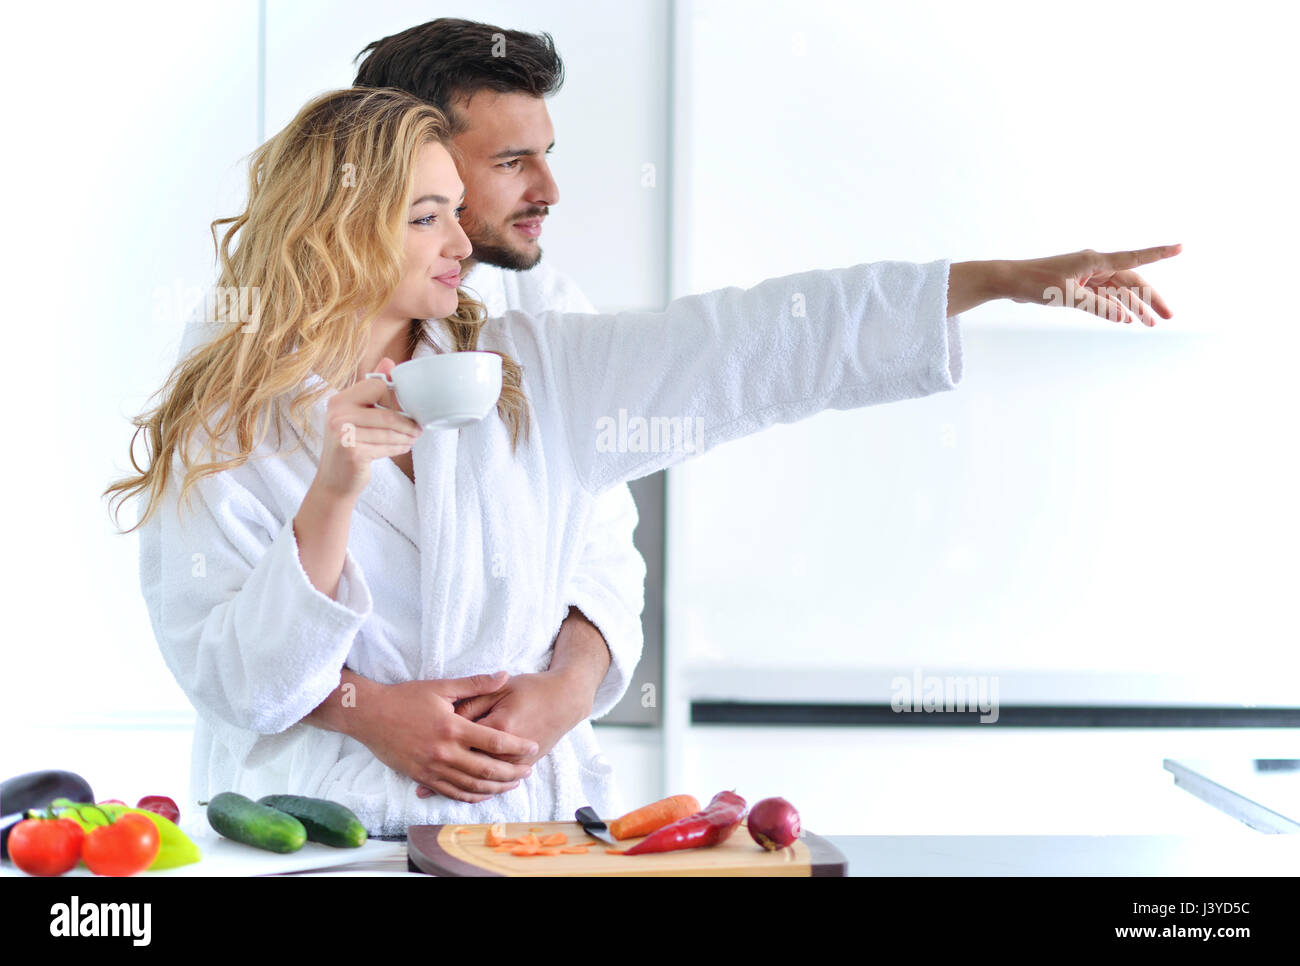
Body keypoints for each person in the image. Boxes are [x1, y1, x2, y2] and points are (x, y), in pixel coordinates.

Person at [107, 86, 1178, 835]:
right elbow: (242, 684)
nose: (460, 240)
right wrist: (335, 492)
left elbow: (756, 341)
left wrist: (997, 279)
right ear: (337, 229)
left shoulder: (534, 369)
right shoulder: (225, 430)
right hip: (322, 838)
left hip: (515, 835)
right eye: (424, 215)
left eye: (453, 210)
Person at [173, 19, 647, 813]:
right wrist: (362, 710)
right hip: (323, 811)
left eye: (546, 156)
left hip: (515, 802)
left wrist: (567, 690)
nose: (548, 191)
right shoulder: (243, 352)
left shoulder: (552, 316)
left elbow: (603, 549)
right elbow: (214, 640)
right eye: (510, 162)